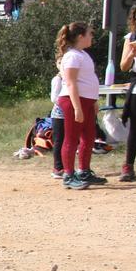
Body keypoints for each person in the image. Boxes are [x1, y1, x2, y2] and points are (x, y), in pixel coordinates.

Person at [56, 21, 104, 189]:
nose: (92, 36)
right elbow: (71, 83)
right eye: (89, 33)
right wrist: (77, 108)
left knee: (89, 136)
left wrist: (94, 101)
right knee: (71, 138)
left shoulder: (82, 54)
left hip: (86, 101)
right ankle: (68, 175)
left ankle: (84, 171)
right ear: (80, 36)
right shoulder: (72, 56)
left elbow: (87, 80)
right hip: (73, 101)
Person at [118, 3, 136, 182]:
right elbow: (123, 66)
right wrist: (132, 55)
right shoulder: (132, 37)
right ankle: (128, 166)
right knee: (135, 128)